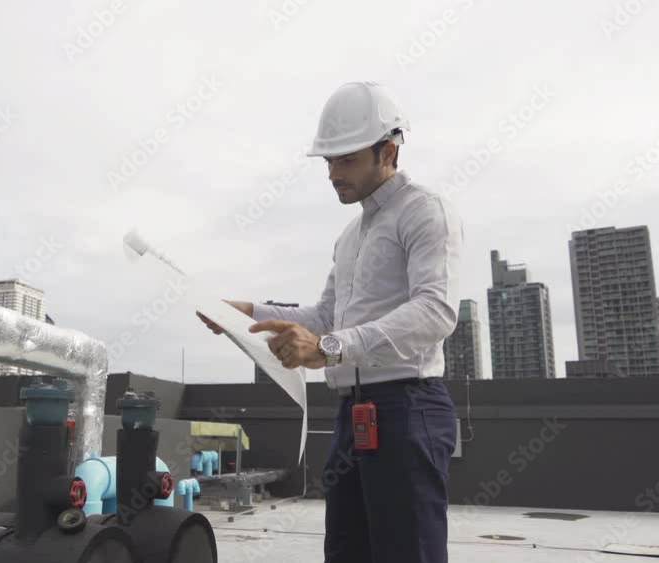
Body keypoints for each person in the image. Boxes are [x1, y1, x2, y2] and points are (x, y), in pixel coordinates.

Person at [197, 81, 462, 563]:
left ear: (388, 152)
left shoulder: (424, 212)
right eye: (328, 162)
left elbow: (436, 310)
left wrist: (331, 348)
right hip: (353, 414)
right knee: (345, 551)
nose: (332, 174)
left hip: (409, 407)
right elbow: (324, 317)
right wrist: (248, 313)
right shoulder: (350, 236)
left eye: (346, 160)